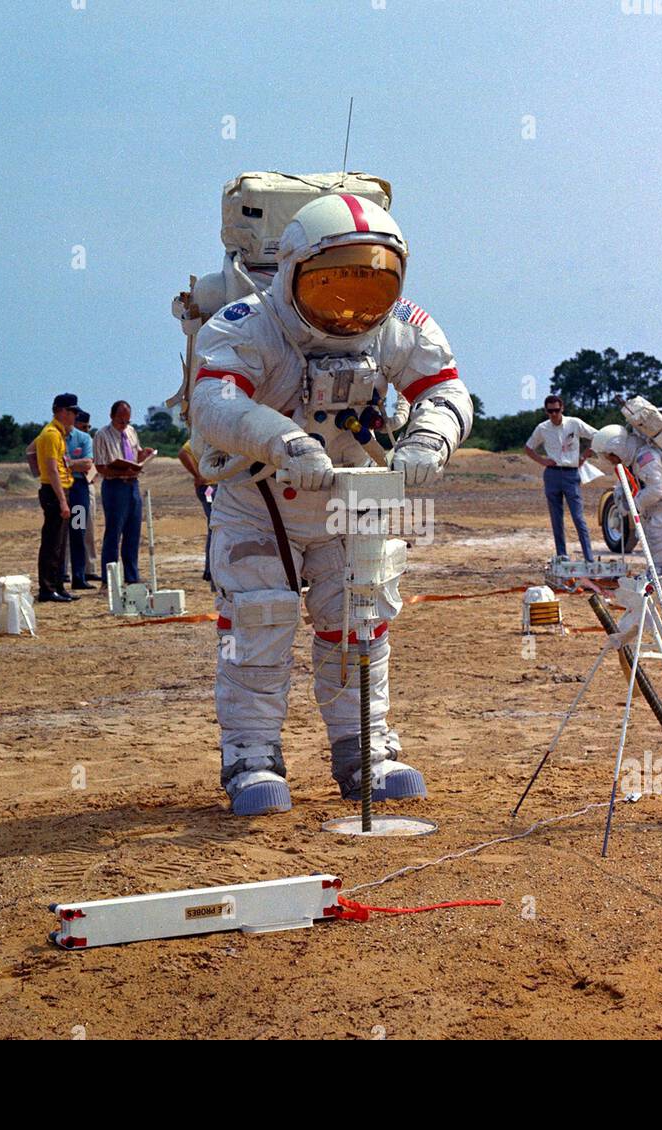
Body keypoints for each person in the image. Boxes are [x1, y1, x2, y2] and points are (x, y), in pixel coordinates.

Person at [189, 191, 473, 816]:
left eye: (369, 287)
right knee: (259, 625)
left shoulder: (400, 325)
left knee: (361, 623)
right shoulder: (246, 323)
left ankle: (366, 750)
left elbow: (447, 387)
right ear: (292, 271)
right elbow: (212, 403)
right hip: (262, 495)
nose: (350, 306)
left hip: (354, 492)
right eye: (333, 286)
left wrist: (430, 437)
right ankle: (251, 755)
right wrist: (283, 440)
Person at [591, 423, 662, 577]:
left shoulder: (646, 459)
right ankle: (656, 568)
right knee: (648, 530)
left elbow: (655, 490)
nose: (611, 460)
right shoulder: (633, 457)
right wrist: (621, 496)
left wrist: (633, 505)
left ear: (618, 449)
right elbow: (626, 481)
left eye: (610, 456)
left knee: (657, 530)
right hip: (661, 497)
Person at [525, 395, 597, 562]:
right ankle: (562, 557)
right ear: (546, 411)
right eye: (550, 411)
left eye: (556, 410)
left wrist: (585, 455)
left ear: (562, 408)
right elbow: (528, 448)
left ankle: (589, 558)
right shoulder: (542, 428)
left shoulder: (574, 423)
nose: (554, 414)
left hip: (571, 474)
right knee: (556, 519)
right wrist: (542, 461)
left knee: (578, 518)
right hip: (552, 474)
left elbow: (597, 435)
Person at [93, 401, 155, 585]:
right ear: (112, 416)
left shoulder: (131, 431)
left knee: (133, 532)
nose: (124, 424)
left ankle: (131, 576)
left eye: (127, 420)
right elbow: (100, 467)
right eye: (121, 420)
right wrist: (120, 472)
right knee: (114, 532)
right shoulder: (101, 435)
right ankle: (110, 578)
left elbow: (135, 455)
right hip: (114, 487)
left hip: (133, 484)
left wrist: (144, 455)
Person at [35, 393, 81, 603]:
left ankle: (58, 585)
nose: (74, 416)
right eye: (72, 412)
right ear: (62, 411)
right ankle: (47, 588)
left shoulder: (58, 434)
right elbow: (52, 470)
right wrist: (62, 500)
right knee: (52, 542)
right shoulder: (52, 434)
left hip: (61, 489)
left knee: (61, 543)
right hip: (55, 490)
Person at [64, 409, 97, 589]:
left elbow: (87, 463)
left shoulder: (84, 439)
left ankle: (79, 575)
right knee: (60, 533)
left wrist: (68, 463)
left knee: (78, 531)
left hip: (79, 488)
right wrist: (75, 465)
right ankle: (61, 573)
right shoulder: (55, 436)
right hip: (61, 488)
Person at [178, 438, 214, 583]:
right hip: (210, 489)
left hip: (213, 487)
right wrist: (198, 475)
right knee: (215, 525)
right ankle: (210, 569)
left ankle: (211, 568)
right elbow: (183, 453)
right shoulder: (201, 439)